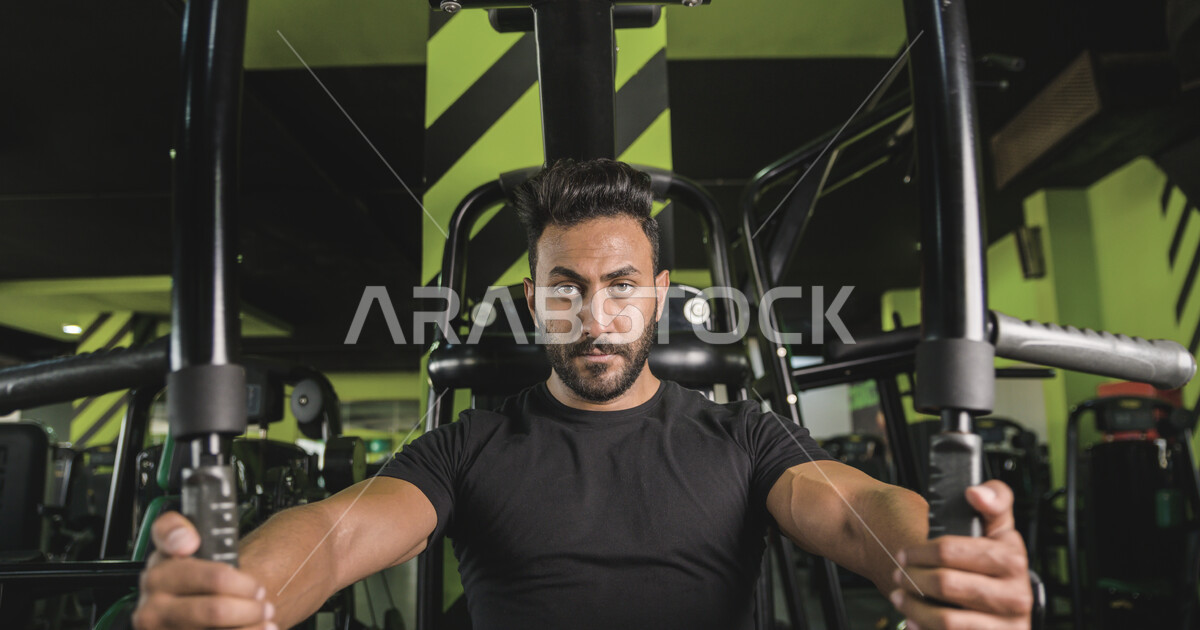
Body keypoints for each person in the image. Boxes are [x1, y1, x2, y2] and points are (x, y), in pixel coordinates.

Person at [133, 159, 1033, 630]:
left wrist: (942, 558)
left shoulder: (744, 436)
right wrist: (239, 592)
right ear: (535, 300)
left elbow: (857, 509)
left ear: (660, 292)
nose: (594, 315)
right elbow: (333, 537)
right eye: (565, 287)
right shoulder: (470, 447)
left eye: (621, 285)